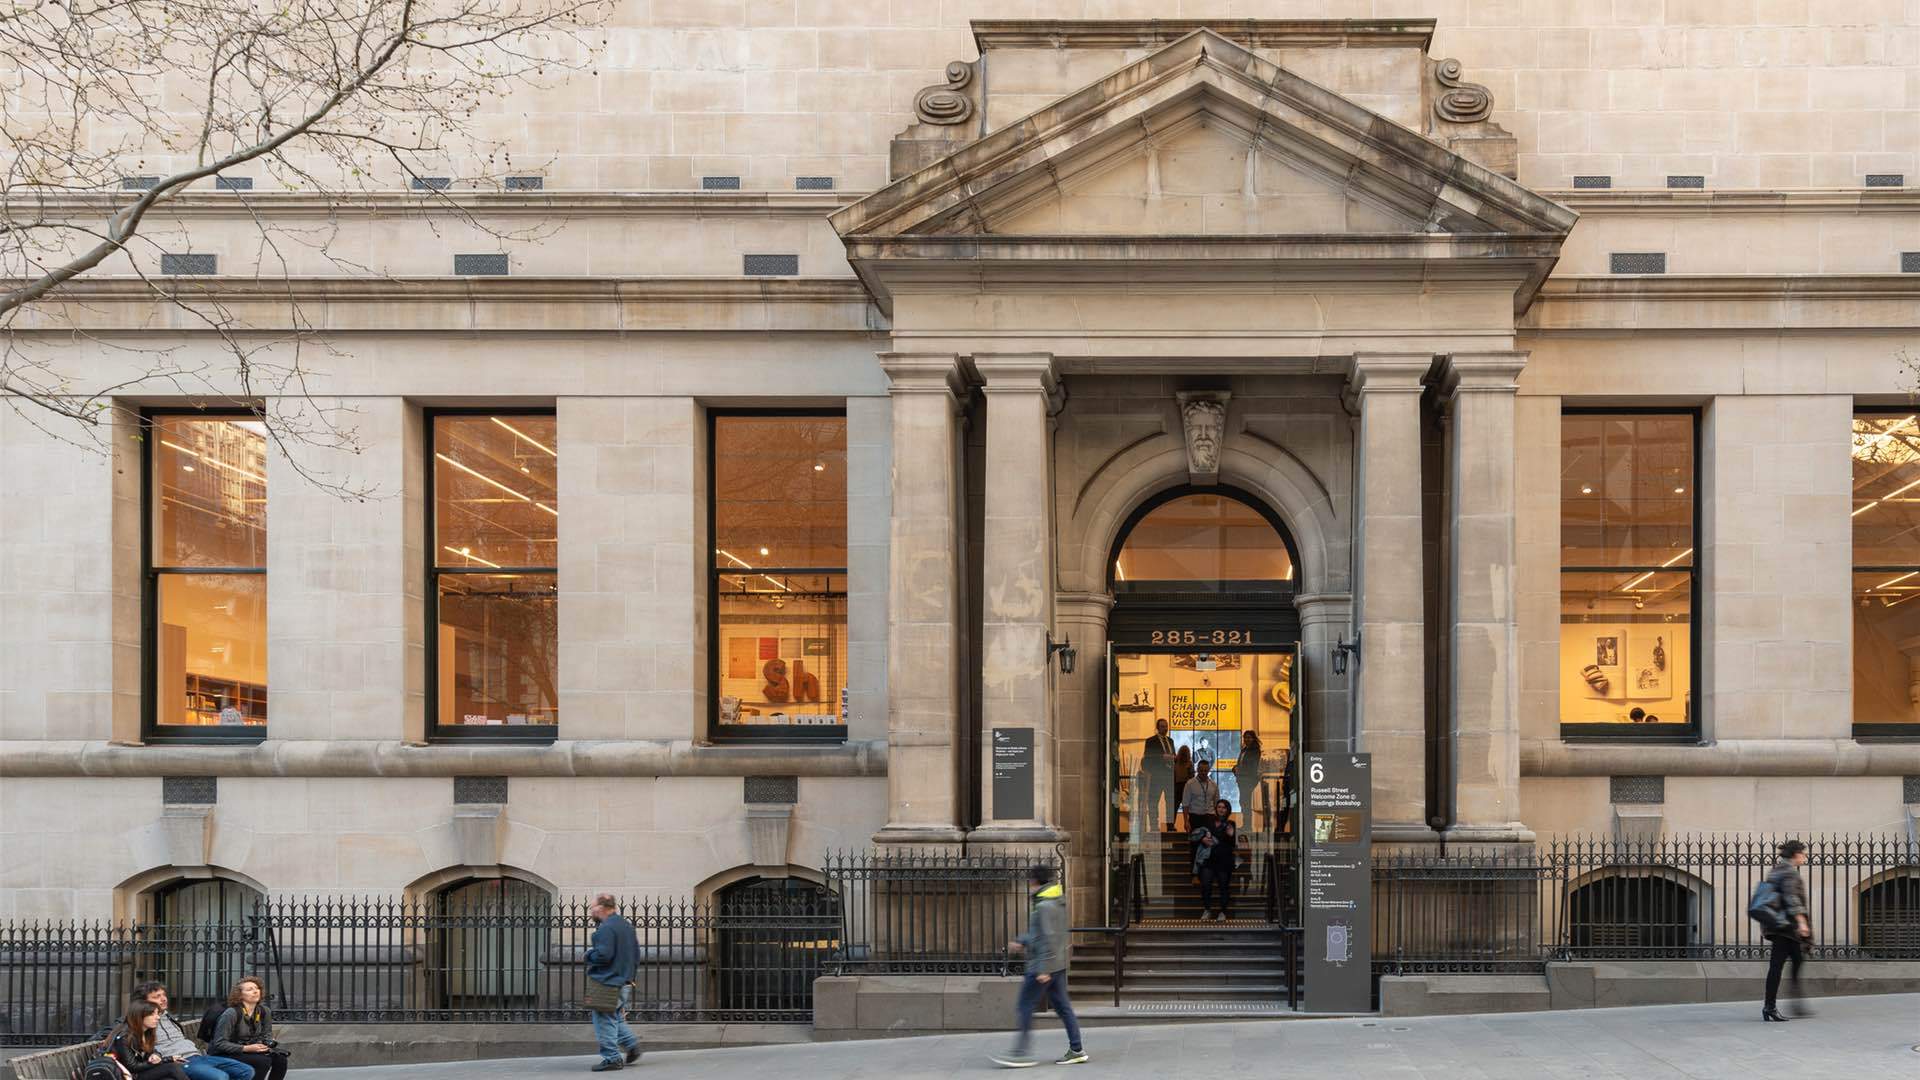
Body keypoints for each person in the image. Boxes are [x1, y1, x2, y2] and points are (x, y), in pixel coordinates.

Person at [991, 865, 1086, 1069]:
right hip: (1057, 963)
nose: (1028, 885)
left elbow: (1047, 939)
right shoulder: (1057, 902)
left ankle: (1021, 1054)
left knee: (1025, 1006)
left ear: (1035, 882)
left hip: (1042, 966)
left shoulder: (1043, 906)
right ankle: (1077, 1050)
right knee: (1063, 1008)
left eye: (1030, 881)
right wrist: (1023, 941)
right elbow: (1046, 934)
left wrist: (1043, 969)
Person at [129, 983, 252, 1080]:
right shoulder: (142, 1022)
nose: (163, 999)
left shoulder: (168, 1016)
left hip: (199, 1056)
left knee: (246, 1071)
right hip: (181, 1061)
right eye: (157, 997)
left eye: (163, 995)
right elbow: (119, 1032)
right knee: (220, 1077)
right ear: (143, 1003)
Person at [585, 893, 642, 1071]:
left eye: (592, 907)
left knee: (603, 1018)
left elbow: (603, 955)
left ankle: (612, 1058)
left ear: (601, 908)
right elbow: (636, 954)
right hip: (624, 979)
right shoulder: (626, 926)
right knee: (615, 1016)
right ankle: (631, 1045)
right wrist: (629, 977)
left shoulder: (606, 929)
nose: (590, 911)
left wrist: (588, 955)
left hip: (608, 981)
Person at [1762, 839, 1812, 1022]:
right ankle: (1770, 1006)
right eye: (1803, 854)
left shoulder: (1776, 870)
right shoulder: (1790, 873)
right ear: (1796, 855)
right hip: (1787, 926)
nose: (1805, 857)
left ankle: (1787, 1001)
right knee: (1778, 965)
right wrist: (1802, 922)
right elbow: (1791, 898)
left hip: (1776, 924)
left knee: (1794, 959)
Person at [207, 976, 287, 1080]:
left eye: (257, 988)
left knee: (281, 1059)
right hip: (225, 1053)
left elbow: (266, 1034)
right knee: (262, 1061)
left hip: (249, 1050)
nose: (255, 991)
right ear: (240, 995)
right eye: (249, 989)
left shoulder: (264, 1011)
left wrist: (267, 1043)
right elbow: (219, 1043)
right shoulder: (231, 1013)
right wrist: (247, 1048)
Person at [111, 1000, 193, 1079]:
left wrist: (156, 1055)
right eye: (152, 1014)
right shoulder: (124, 1037)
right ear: (139, 1016)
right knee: (172, 1067)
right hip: (131, 1076)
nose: (158, 1017)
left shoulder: (147, 1033)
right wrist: (167, 1059)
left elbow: (153, 1051)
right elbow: (133, 1067)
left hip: (143, 1072)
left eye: (157, 1014)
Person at [1194, 799, 1238, 922]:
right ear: (1216, 809)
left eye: (1224, 807)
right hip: (1208, 860)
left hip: (1224, 861)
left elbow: (1233, 843)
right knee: (1206, 885)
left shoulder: (1231, 824)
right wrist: (1202, 839)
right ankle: (1207, 909)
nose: (1221, 809)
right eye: (1219, 807)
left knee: (1223, 887)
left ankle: (1222, 912)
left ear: (1228, 810)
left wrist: (1230, 835)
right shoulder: (1209, 822)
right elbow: (1198, 835)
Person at [1140, 719, 1177, 831]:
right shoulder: (1151, 741)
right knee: (1153, 802)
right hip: (1156, 776)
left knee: (1170, 802)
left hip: (1169, 776)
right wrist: (1162, 757)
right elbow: (1147, 758)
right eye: (1162, 726)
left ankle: (1170, 826)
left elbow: (1173, 754)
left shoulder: (1170, 741)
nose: (1165, 729)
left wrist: (1174, 757)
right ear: (1157, 727)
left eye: (1166, 726)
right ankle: (1154, 826)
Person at [1172, 745, 1193, 826]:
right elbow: (1191, 776)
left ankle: (1171, 826)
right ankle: (1189, 825)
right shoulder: (1188, 763)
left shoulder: (1176, 762)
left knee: (1175, 808)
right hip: (1184, 786)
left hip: (1179, 786)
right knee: (1187, 808)